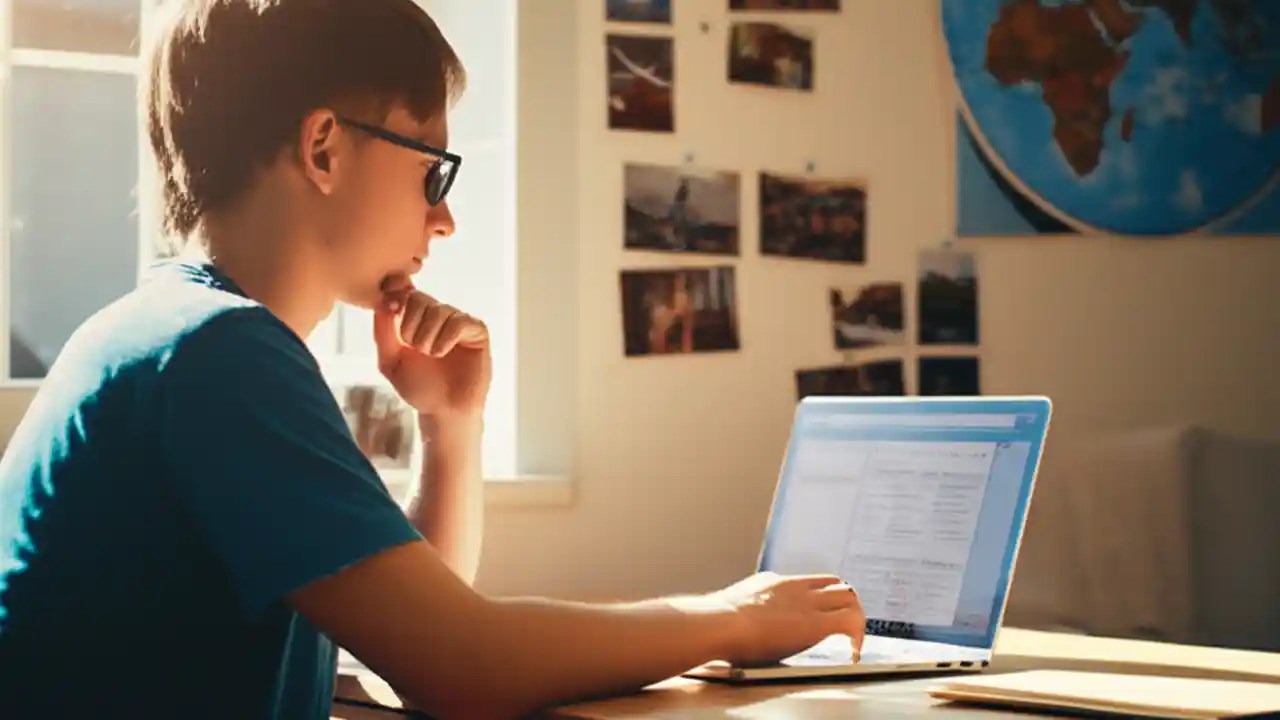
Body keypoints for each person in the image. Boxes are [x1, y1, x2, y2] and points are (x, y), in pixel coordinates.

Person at [0, 2, 865, 719]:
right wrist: (728, 619)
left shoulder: (164, 331)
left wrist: (451, 424)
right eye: (433, 172)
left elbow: (414, 628)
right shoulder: (217, 354)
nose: (443, 221)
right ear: (324, 148)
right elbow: (461, 667)